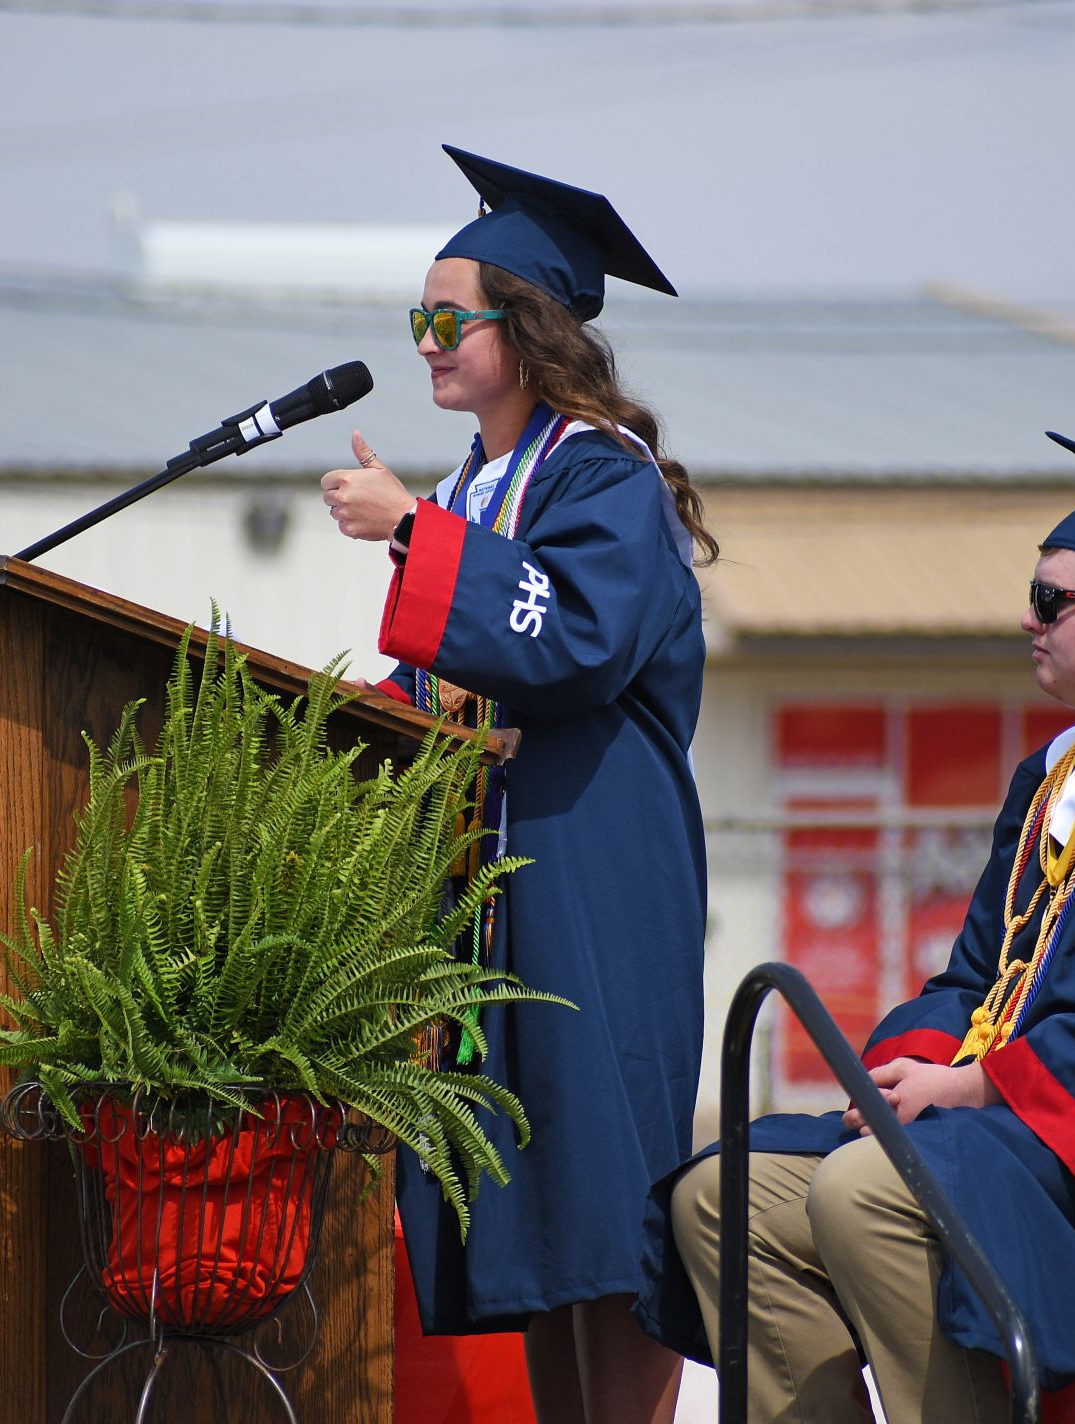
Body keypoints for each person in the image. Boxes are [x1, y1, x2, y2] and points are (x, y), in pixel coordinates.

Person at [636, 433, 1075, 1422]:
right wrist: (905, 1077)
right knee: (721, 1199)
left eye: (1052, 598)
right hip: (1014, 1128)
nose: (1027, 616)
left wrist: (976, 1087)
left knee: (864, 1193)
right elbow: (974, 973)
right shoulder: (1058, 769)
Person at [318, 146, 713, 1424]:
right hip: (497, 881)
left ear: (528, 330)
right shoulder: (476, 487)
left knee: (606, 1200)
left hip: (592, 875)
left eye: (449, 321)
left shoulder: (605, 473)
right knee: (539, 1215)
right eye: (417, 320)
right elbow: (436, 686)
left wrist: (413, 533)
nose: (425, 344)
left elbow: (576, 638)